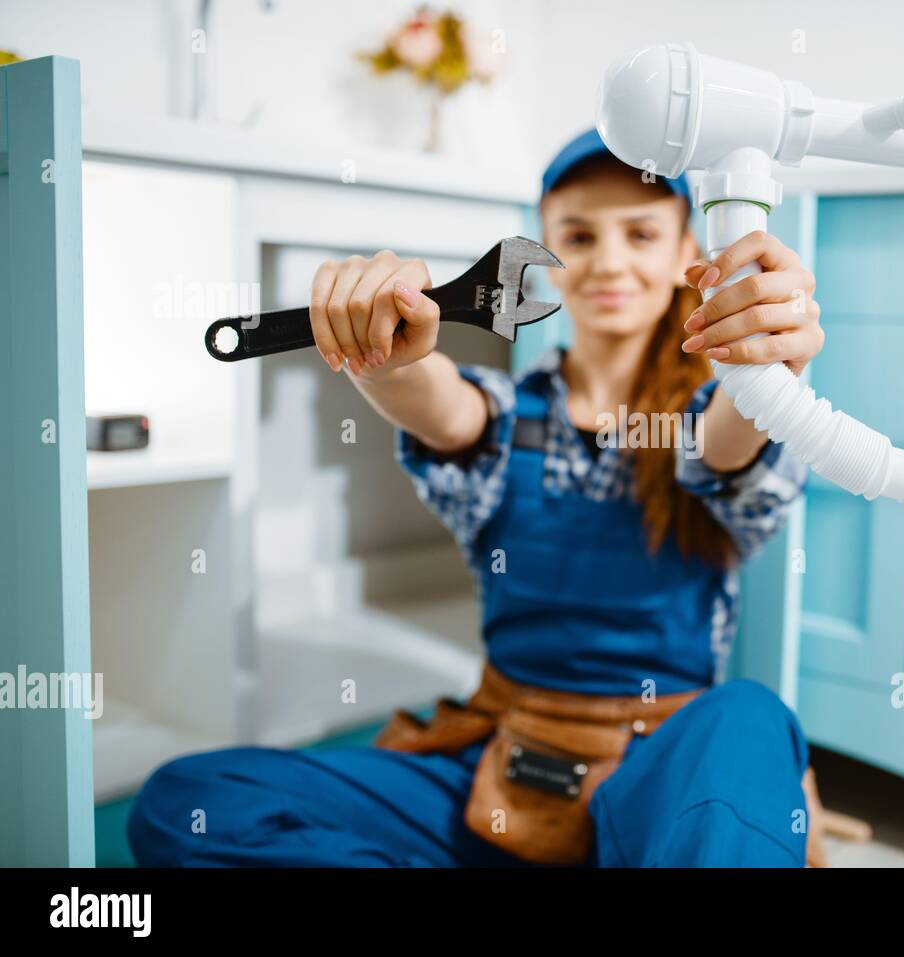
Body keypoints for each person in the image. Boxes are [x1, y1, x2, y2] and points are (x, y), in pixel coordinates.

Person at [128, 129, 826, 867]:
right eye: (579, 235)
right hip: (502, 762)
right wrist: (389, 363)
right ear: (546, 249)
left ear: (688, 246)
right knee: (193, 801)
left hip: (666, 779)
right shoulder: (504, 415)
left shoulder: (709, 416)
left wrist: (765, 369)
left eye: (642, 233)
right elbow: (445, 407)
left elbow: (724, 442)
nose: (610, 261)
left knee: (748, 719)